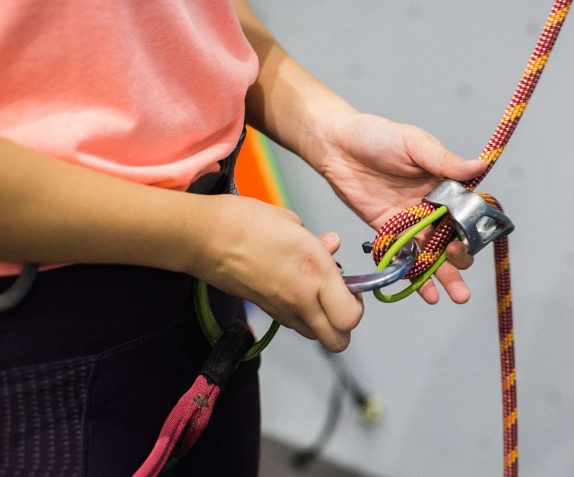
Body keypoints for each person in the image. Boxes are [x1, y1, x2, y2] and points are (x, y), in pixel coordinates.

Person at [0, 1, 485, 474]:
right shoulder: (210, 243)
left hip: (202, 306)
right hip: (44, 342)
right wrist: (208, 238)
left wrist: (326, 130)